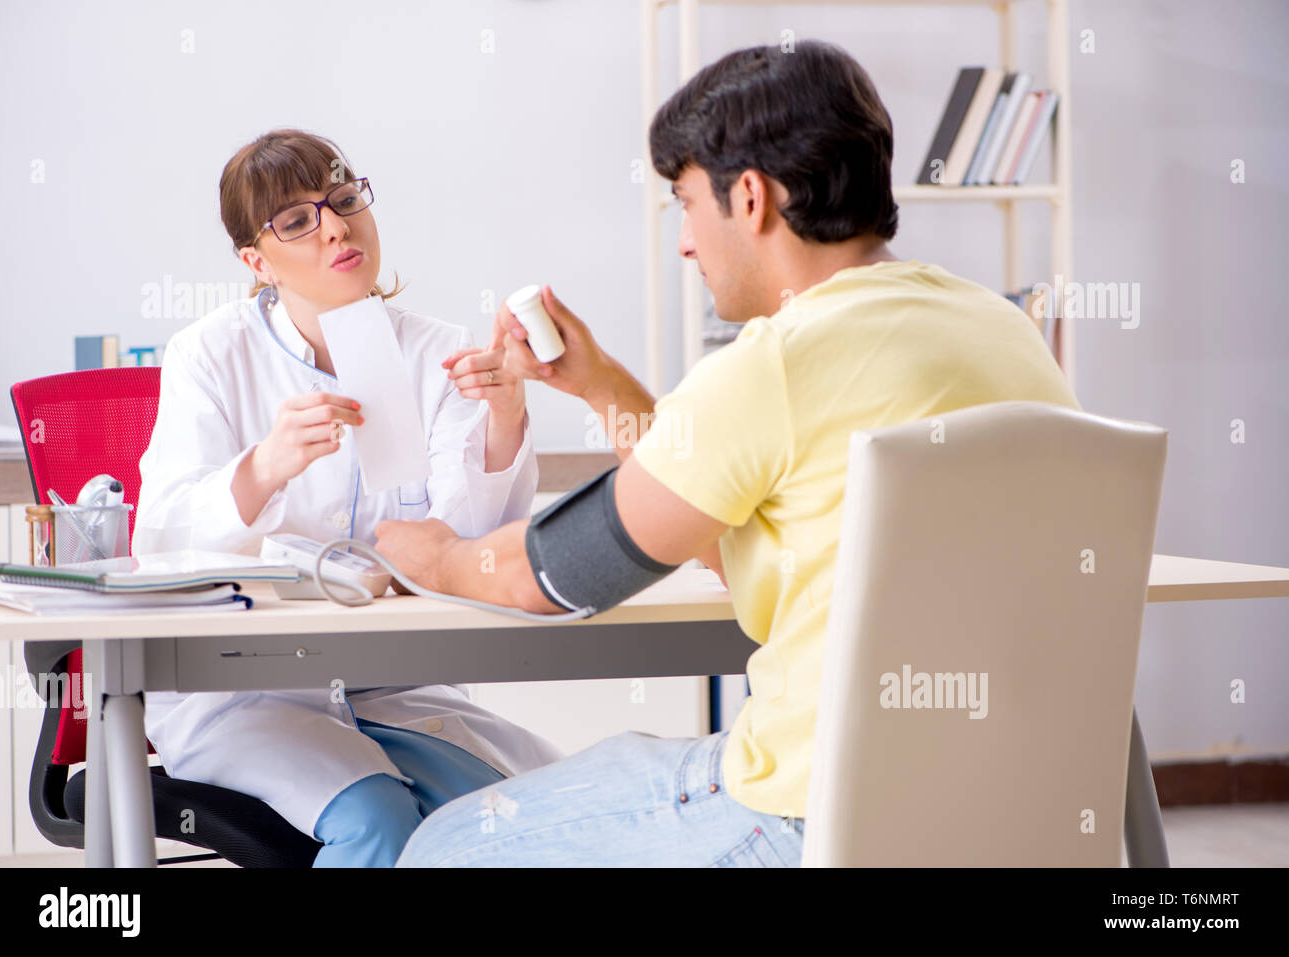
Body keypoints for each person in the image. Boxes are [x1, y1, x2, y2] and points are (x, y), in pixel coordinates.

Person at [377, 41, 1081, 867]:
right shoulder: (1002, 328)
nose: (684, 242)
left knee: (445, 844)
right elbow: (718, 514)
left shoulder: (778, 361)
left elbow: (557, 573)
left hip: (811, 815)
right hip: (1010, 811)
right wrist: (604, 386)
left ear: (749, 196)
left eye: (684, 203)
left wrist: (436, 550)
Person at [132, 129, 564, 867]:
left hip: (395, 684)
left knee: (532, 820)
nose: (335, 226)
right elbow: (162, 536)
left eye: (342, 199)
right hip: (244, 694)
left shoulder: (441, 352)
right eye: (297, 221)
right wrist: (263, 466)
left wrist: (506, 417)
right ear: (255, 261)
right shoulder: (208, 354)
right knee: (378, 822)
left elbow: (472, 549)